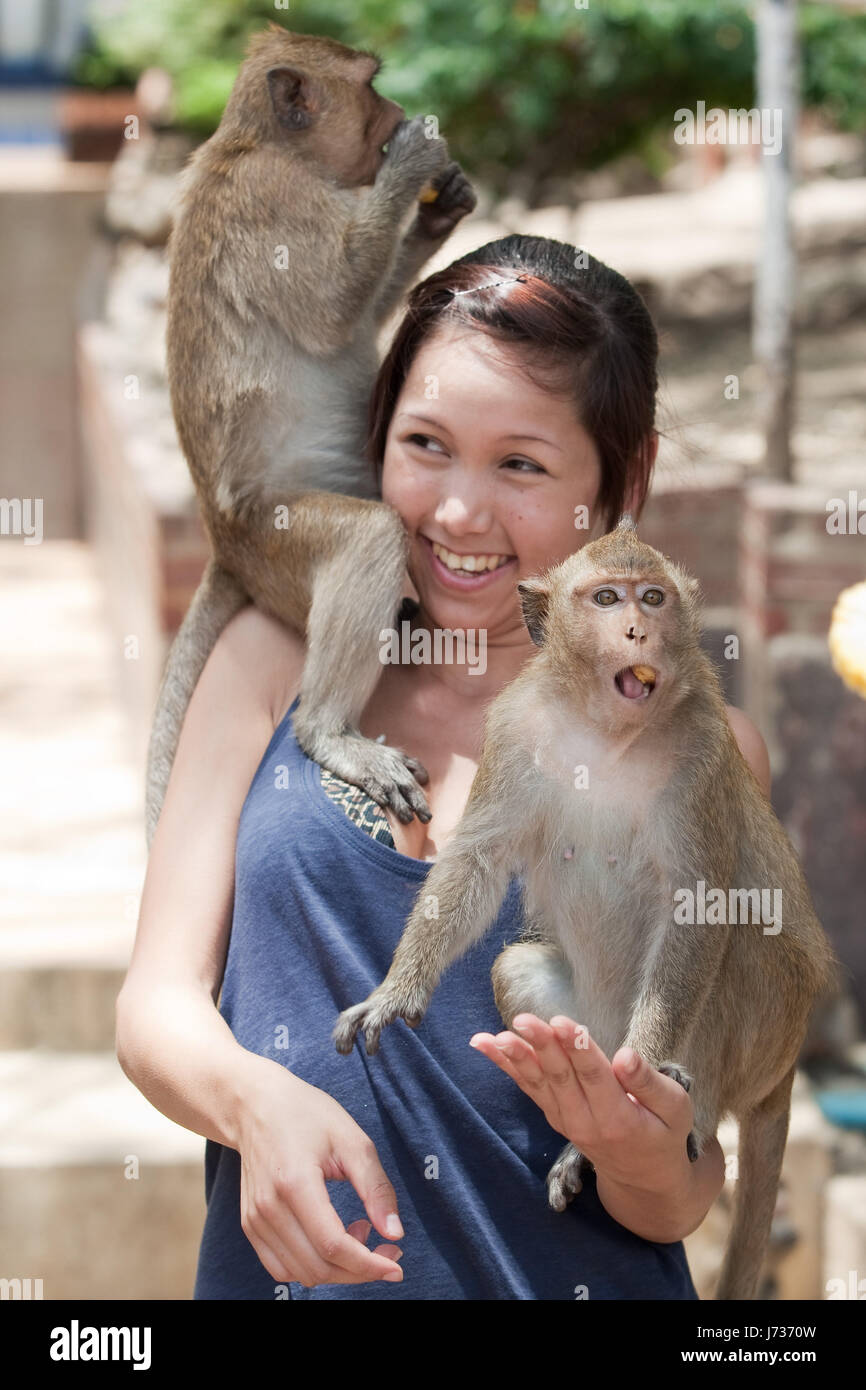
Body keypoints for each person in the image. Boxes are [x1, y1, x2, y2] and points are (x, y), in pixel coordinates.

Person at [116, 235, 771, 1300]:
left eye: (520, 464)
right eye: (424, 444)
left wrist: (629, 1142)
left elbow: (677, 1192)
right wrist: (253, 1101)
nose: (457, 514)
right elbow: (155, 1005)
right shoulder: (272, 663)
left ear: (622, 480)